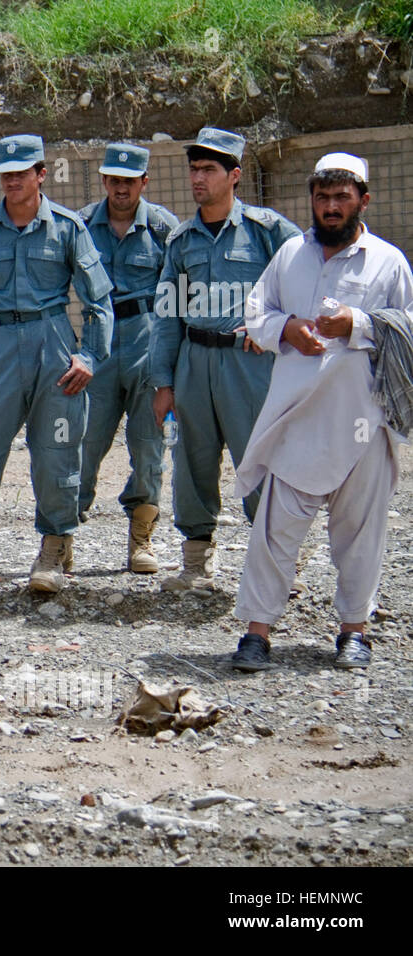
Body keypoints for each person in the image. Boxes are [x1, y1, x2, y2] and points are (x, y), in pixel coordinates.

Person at [230, 152, 413, 671]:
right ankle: (257, 634)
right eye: (322, 197)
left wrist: (356, 323)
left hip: (363, 421)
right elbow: (255, 312)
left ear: (362, 201)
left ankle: (354, 631)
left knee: (361, 535)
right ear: (311, 200)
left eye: (341, 198)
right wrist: (286, 329)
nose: (330, 208)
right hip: (298, 420)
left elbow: (410, 327)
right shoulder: (291, 254)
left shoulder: (388, 261)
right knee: (273, 534)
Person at [0, 133, 114, 594]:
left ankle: (55, 545)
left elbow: (99, 299)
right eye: (6, 174)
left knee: (56, 453)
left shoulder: (67, 228)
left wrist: (90, 356)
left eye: (22, 172)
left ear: (41, 174)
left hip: (55, 344)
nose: (13, 181)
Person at [149, 128, 301, 591]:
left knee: (259, 458)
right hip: (194, 361)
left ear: (234, 176)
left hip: (249, 366)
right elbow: (167, 313)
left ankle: (276, 565)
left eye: (209, 169)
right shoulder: (182, 240)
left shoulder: (268, 231)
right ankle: (196, 560)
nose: (198, 178)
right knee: (192, 460)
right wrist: (163, 382)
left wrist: (273, 329)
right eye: (194, 169)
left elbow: (305, 285)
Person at [76, 144, 179, 572]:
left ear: (144, 183)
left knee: (148, 444)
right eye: (113, 180)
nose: (120, 189)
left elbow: (177, 295)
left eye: (129, 181)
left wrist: (172, 360)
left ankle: (142, 539)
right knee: (80, 444)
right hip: (97, 346)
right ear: (103, 181)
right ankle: (60, 536)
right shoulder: (80, 225)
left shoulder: (162, 229)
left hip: (146, 342)